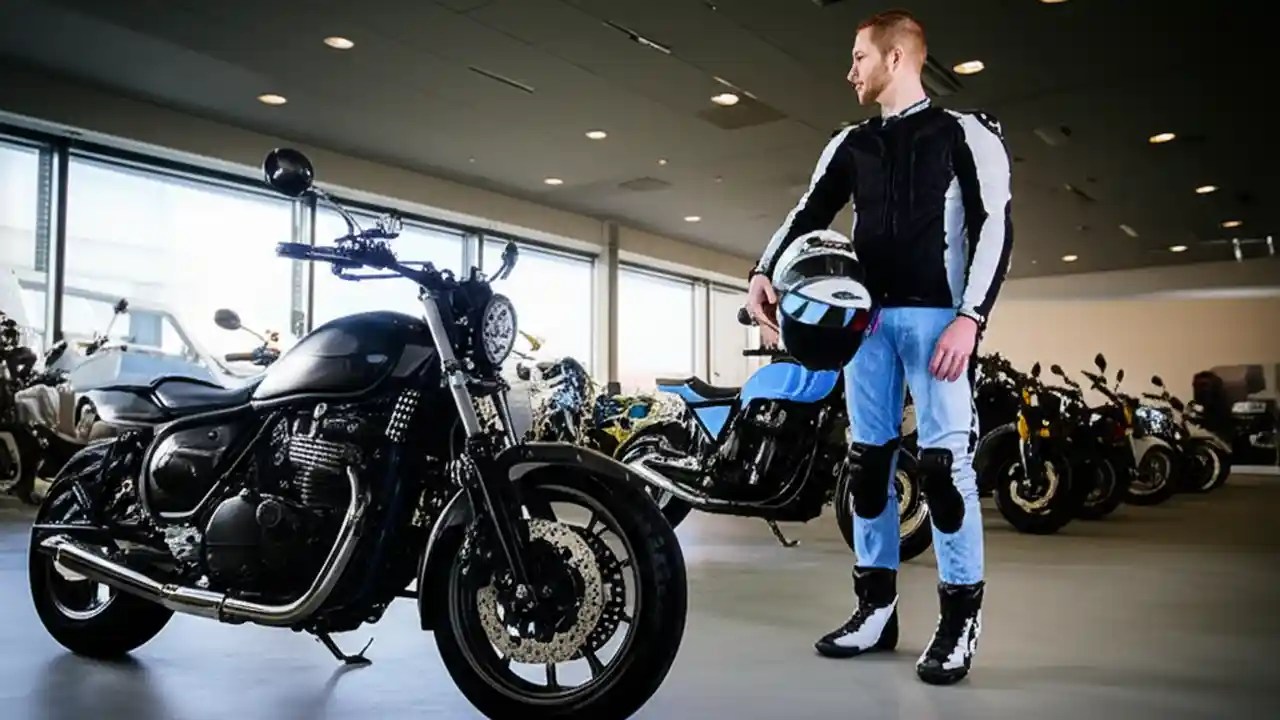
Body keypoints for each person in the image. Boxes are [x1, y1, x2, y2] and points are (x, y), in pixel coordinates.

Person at [745, 9, 1013, 685]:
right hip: (865, 325)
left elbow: (995, 227)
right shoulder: (851, 142)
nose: (850, 71)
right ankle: (875, 609)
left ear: (895, 58)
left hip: (938, 322)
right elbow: (809, 211)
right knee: (867, 467)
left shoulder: (965, 134)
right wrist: (762, 272)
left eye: (859, 57)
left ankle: (959, 620)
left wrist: (971, 318)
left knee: (943, 470)